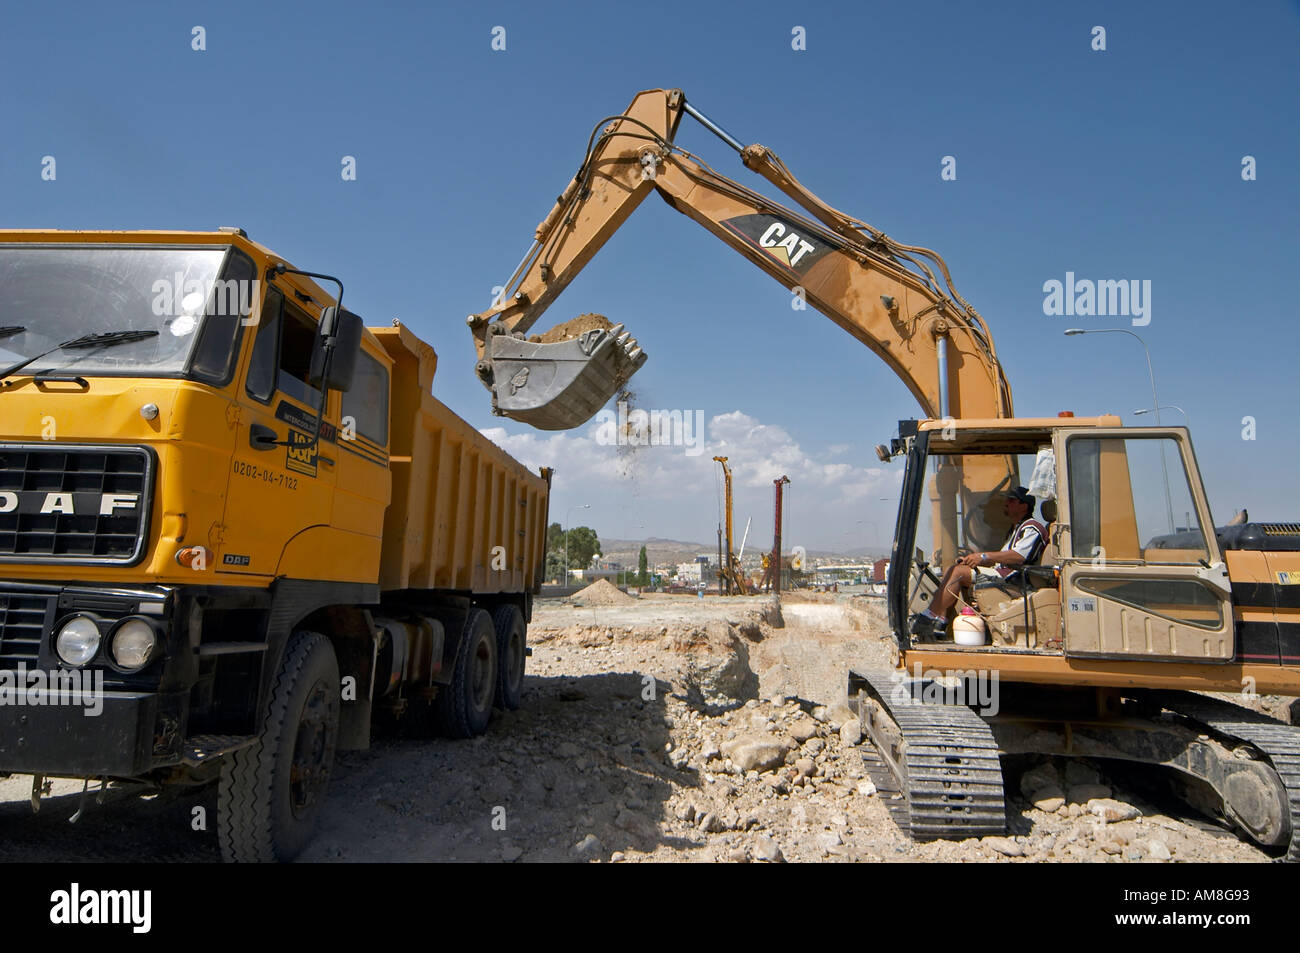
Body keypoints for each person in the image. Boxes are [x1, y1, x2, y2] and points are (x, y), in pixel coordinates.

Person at [911, 486, 1048, 639]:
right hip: (1005, 575)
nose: (1006, 504)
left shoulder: (1032, 528)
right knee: (954, 570)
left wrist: (983, 557)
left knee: (957, 573)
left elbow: (1019, 557)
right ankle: (941, 623)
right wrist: (973, 560)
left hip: (1014, 581)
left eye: (1011, 500)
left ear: (1024, 505)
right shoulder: (1016, 528)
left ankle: (928, 618)